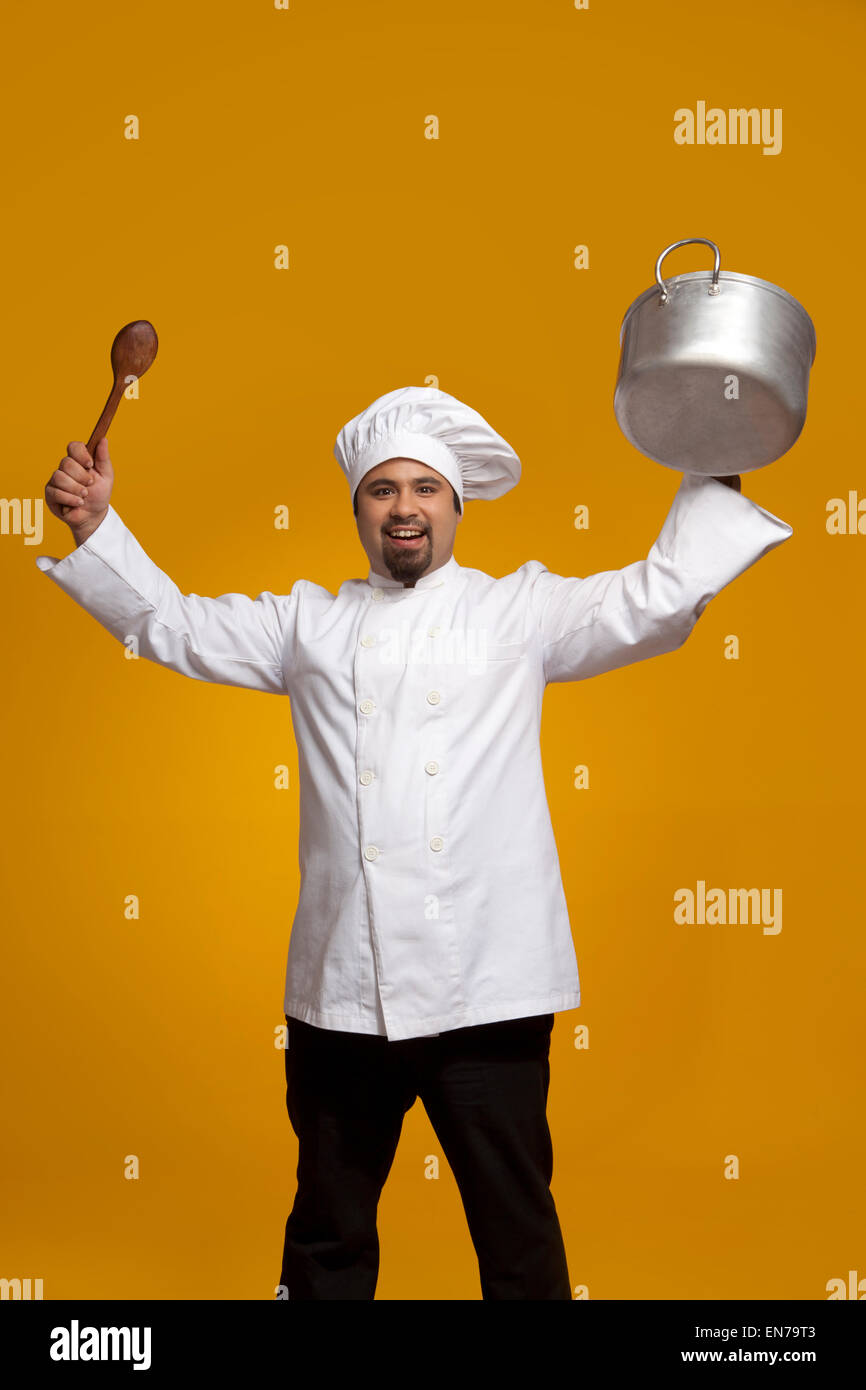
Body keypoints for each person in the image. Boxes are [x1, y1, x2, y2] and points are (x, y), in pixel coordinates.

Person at [37, 384, 793, 1300]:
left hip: (489, 988)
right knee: (327, 1236)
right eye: (384, 490)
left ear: (456, 506)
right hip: (344, 993)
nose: (405, 508)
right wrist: (96, 524)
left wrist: (715, 450)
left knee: (517, 1237)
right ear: (359, 508)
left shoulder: (521, 613)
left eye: (425, 490)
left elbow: (657, 598)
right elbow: (171, 624)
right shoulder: (306, 626)